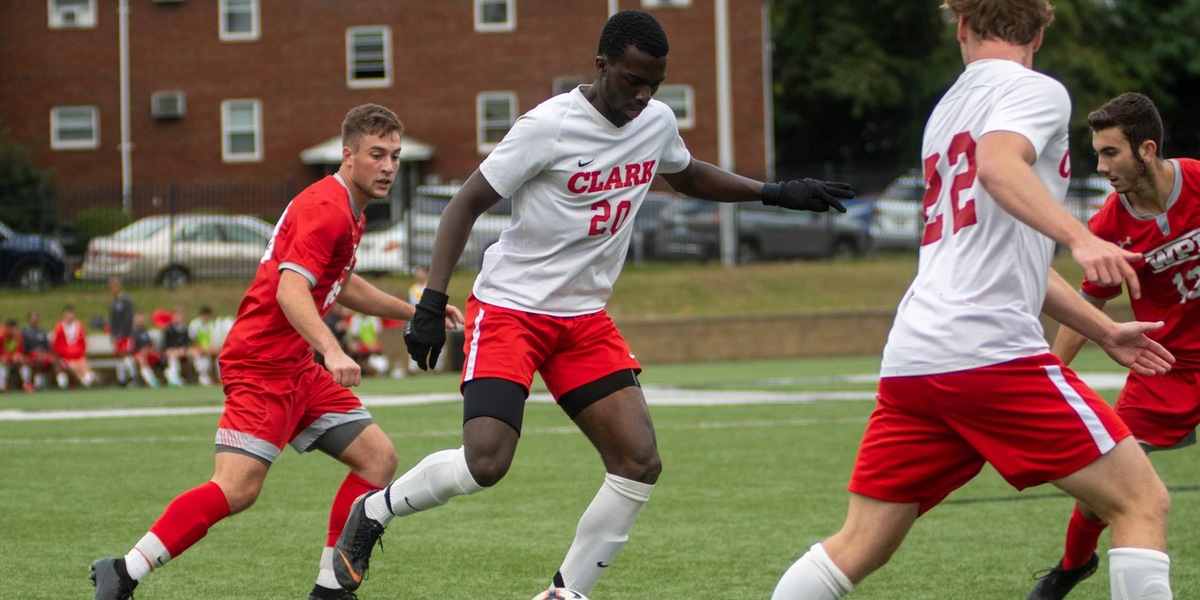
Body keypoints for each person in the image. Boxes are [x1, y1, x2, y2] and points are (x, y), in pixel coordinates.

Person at [331, 10, 854, 597]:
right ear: (601, 65)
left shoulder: (655, 121)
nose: (643, 95)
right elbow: (464, 204)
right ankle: (374, 510)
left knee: (638, 460)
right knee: (486, 463)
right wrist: (431, 301)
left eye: (654, 83)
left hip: (582, 320)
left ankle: (565, 593)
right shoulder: (547, 126)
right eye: (632, 80)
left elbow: (686, 175)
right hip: (512, 309)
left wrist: (775, 192)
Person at [769, 3, 1176, 599]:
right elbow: (996, 166)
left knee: (858, 544)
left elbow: (1008, 257)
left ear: (961, 26)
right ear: (1039, 33)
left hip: (914, 359)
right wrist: (1081, 237)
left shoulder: (946, 110)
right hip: (988, 352)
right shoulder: (1036, 90)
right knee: (1141, 502)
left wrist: (1105, 330)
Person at [88, 103, 464, 600]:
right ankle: (123, 571)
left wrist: (414, 311)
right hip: (261, 364)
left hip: (295, 367)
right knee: (237, 488)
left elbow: (342, 282)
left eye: (394, 156)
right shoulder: (327, 210)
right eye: (377, 154)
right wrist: (332, 350)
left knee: (377, 459)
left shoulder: (347, 210)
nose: (389, 166)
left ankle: (330, 591)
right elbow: (291, 290)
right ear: (347, 155)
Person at [1025, 92, 1197, 599]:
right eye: (1097, 153)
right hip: (1163, 368)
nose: (1100, 166)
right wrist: (1047, 374)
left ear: (1147, 149)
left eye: (1110, 153)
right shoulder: (1108, 226)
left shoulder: (1198, 180)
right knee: (1110, 488)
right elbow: (1087, 308)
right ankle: (1073, 565)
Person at [51, 305, 98, 388]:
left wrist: (82, 351)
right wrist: (64, 352)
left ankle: (88, 376)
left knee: (82, 363)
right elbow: (56, 344)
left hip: (78, 354)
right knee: (73, 365)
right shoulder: (59, 328)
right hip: (66, 356)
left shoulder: (79, 326)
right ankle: (84, 380)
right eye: (67, 314)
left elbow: (83, 341)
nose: (70, 316)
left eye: (71, 314)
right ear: (64, 315)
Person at [108, 277, 138, 387]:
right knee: (119, 356)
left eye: (115, 286)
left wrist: (122, 333)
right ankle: (122, 379)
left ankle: (133, 376)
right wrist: (113, 334)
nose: (113, 289)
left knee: (125, 354)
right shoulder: (113, 303)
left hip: (125, 334)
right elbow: (112, 320)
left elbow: (127, 319)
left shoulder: (126, 301)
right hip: (117, 335)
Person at [21, 310, 61, 390]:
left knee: (55, 360)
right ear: (29, 319)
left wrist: (45, 352)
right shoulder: (25, 332)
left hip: (43, 355)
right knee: (38, 358)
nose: (34, 320)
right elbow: (23, 347)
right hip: (31, 356)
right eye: (33, 318)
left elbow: (47, 346)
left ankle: (61, 382)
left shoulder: (42, 331)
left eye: (36, 318)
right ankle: (37, 382)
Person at [188, 305, 219, 386]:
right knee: (199, 355)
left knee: (218, 354)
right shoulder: (194, 324)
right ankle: (202, 375)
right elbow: (192, 340)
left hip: (208, 348)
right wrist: (201, 348)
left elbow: (213, 339)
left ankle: (220, 376)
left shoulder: (211, 324)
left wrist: (210, 348)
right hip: (197, 348)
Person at [159, 307, 190, 387]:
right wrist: (173, 350)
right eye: (176, 316)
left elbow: (186, 342)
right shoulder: (168, 329)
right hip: (171, 350)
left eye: (180, 316)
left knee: (197, 353)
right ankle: (174, 377)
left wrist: (184, 349)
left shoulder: (184, 329)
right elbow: (165, 344)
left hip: (182, 351)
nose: (178, 318)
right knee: (173, 355)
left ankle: (203, 376)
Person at [0, 317, 33, 393]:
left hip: (11, 356)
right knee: (3, 362)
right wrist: (3, 357)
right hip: (3, 357)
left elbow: (20, 350)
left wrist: (17, 356)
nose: (13, 330)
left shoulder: (17, 335)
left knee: (23, 361)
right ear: (7, 328)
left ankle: (26, 384)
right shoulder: (1, 335)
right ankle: (2, 385)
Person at [129, 312, 161, 388]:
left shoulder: (144, 331)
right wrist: (141, 351)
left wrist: (150, 349)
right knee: (141, 358)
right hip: (136, 354)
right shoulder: (130, 332)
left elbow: (149, 344)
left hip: (147, 353)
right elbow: (130, 347)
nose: (140, 320)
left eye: (141, 318)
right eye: (138, 318)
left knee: (160, 356)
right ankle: (151, 380)